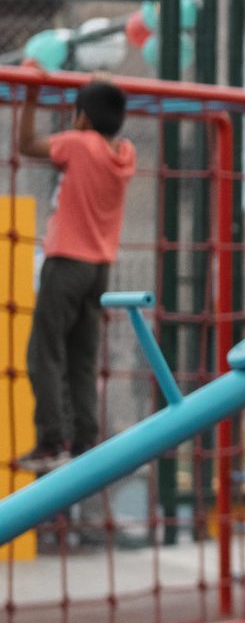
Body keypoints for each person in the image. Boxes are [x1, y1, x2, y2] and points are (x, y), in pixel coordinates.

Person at [15, 67, 135, 473]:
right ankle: (85, 438)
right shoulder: (124, 154)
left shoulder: (80, 144)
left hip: (67, 261)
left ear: (82, 117)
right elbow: (103, 122)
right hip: (99, 269)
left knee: (43, 353)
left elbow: (27, 144)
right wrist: (98, 91)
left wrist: (31, 97)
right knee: (82, 357)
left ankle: (50, 440)